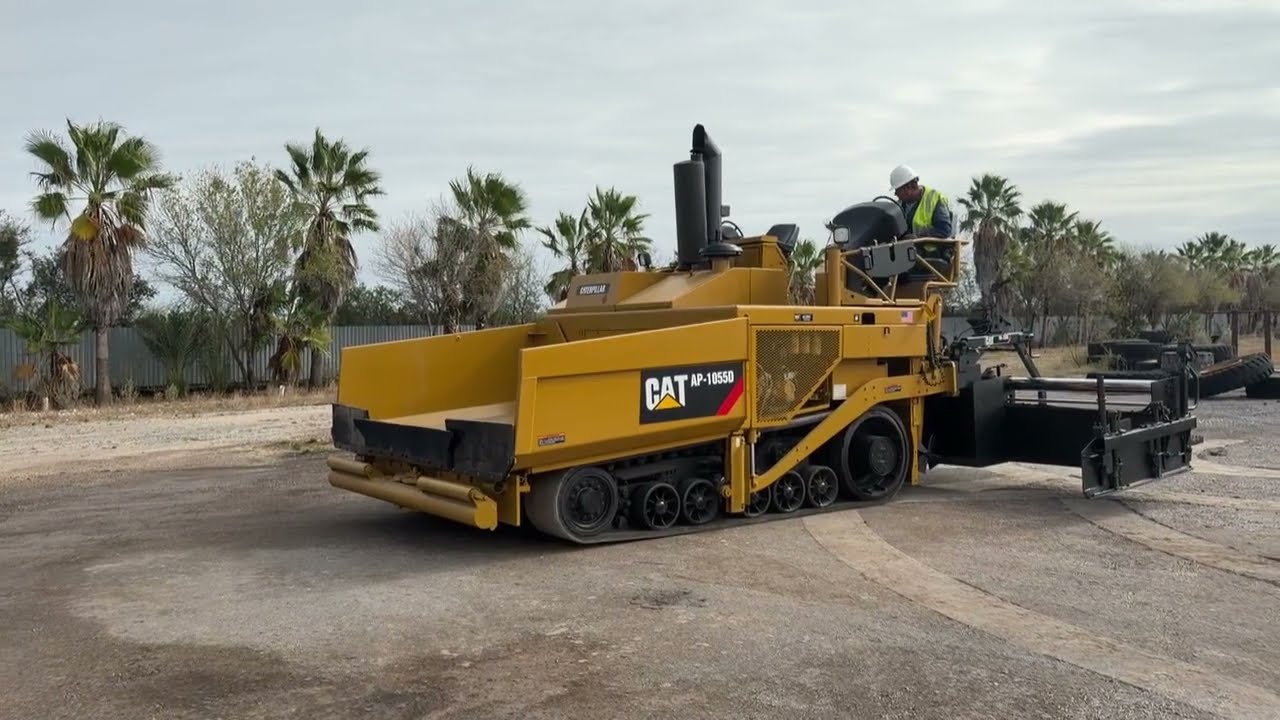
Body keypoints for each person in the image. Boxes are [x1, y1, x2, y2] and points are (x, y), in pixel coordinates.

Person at [889, 164, 953, 238]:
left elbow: (944, 230)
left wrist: (918, 237)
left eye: (897, 190)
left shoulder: (935, 199)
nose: (895, 194)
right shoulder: (899, 205)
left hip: (930, 246)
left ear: (908, 188)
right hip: (907, 245)